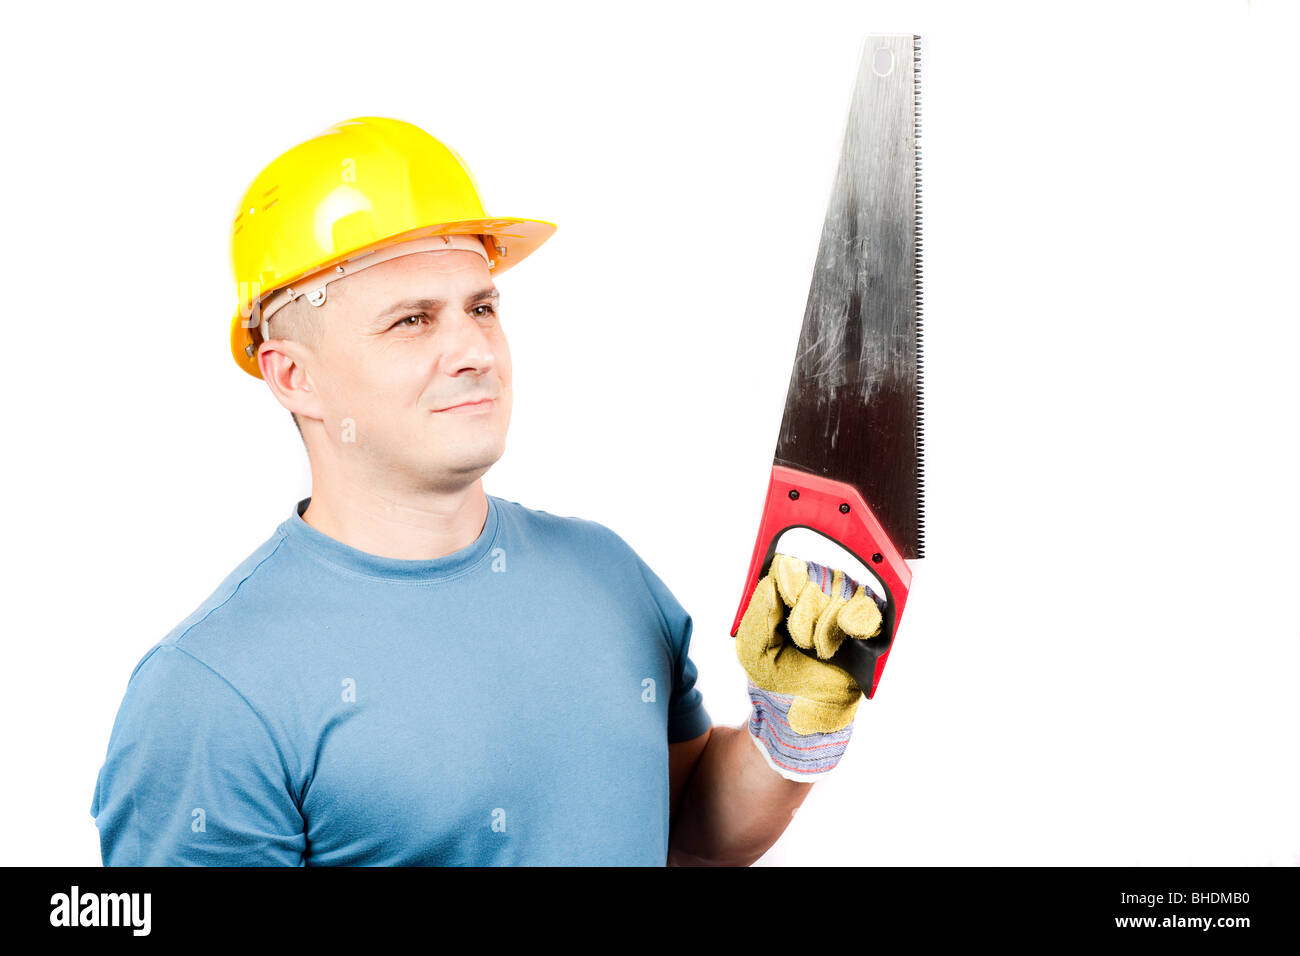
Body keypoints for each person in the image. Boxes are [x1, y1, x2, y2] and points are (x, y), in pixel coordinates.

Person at [89, 116, 877, 866]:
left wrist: (787, 734)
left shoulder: (608, 575)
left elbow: (691, 836)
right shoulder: (209, 693)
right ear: (294, 376)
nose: (474, 349)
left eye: (481, 306)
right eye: (412, 321)